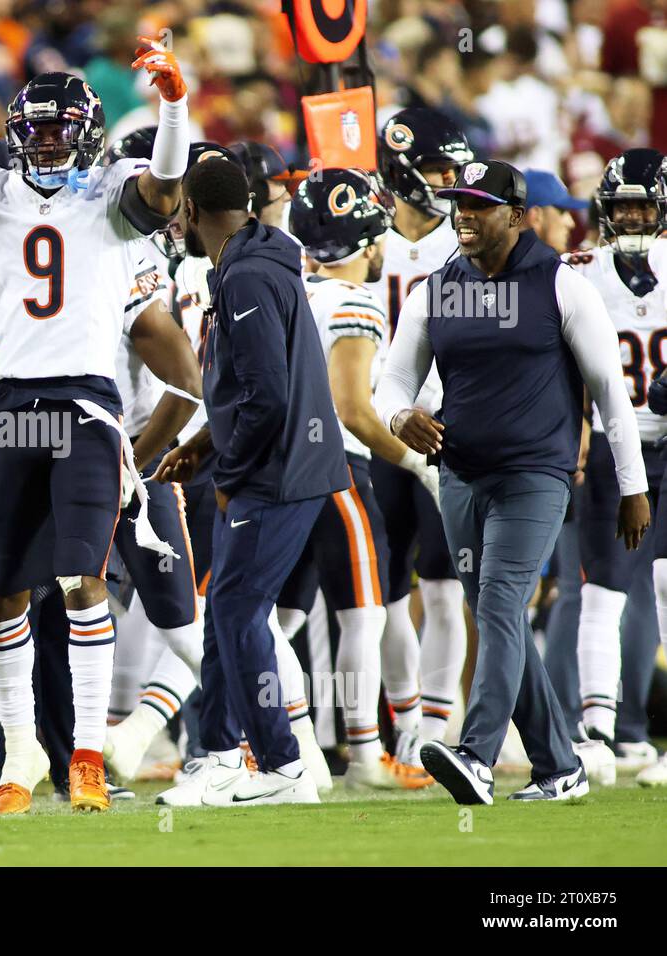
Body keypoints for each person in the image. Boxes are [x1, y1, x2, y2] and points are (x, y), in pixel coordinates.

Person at [0, 30, 191, 813]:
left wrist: (172, 107)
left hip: (89, 403)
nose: (51, 145)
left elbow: (165, 188)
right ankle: (17, 760)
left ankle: (88, 755)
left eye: (63, 132)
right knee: (0, 593)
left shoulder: (115, 194)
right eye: (38, 133)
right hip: (13, 405)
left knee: (82, 579)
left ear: (89, 135)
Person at [376, 159, 650, 804]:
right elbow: (394, 379)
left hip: (536, 474)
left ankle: (476, 754)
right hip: (461, 477)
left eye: (479, 204)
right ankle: (559, 765)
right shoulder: (436, 288)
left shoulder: (562, 284)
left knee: (499, 605)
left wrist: (632, 486)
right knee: (495, 615)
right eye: (458, 203)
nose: (463, 215)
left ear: (517, 216)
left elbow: (611, 391)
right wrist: (399, 414)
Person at [154, 157, 350, 805]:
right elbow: (255, 385)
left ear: (190, 211)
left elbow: (267, 394)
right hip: (282, 463)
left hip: (278, 472)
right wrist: (207, 442)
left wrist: (228, 469)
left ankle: (280, 765)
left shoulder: (244, 278)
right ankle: (217, 755)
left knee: (238, 613)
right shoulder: (257, 262)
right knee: (229, 611)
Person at [284, 168, 438, 791]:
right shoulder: (355, 301)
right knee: (364, 615)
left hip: (282, 469)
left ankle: (285, 739)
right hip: (338, 471)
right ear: (370, 240)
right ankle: (365, 754)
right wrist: (414, 463)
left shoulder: (291, 291)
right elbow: (354, 410)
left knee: (280, 617)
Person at [370, 107, 474, 753]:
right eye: (436, 169)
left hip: (444, 430)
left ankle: (437, 726)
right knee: (379, 595)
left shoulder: (463, 241)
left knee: (441, 583)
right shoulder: (363, 233)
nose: (448, 180)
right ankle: (404, 725)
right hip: (372, 431)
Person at [562, 151, 667, 778]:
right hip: (609, 444)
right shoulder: (578, 273)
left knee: (663, 584)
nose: (631, 215)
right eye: (622, 204)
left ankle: (639, 735)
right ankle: (596, 730)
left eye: (641, 205)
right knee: (603, 588)